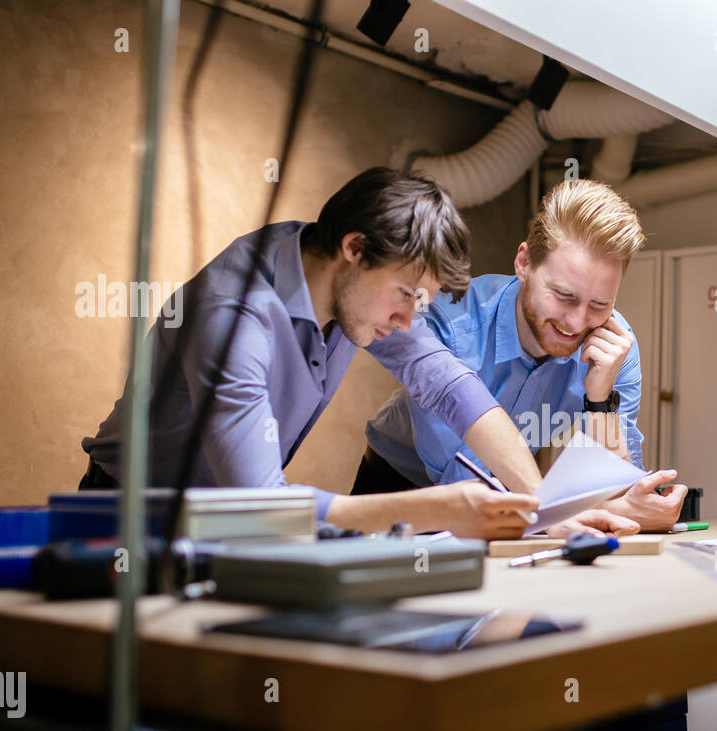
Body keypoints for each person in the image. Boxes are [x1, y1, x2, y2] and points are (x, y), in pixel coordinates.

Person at [81, 167, 540, 539]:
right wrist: (434, 509)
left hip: (226, 519)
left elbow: (447, 384)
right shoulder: (233, 318)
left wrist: (542, 508)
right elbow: (259, 500)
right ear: (354, 248)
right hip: (130, 519)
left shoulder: (345, 282)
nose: (407, 321)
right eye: (405, 295)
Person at [360, 178, 688, 533]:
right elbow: (464, 483)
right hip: (400, 484)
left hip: (521, 497)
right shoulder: (451, 325)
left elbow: (617, 488)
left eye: (599, 303)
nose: (577, 322)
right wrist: (573, 511)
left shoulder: (613, 343)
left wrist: (600, 401)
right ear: (524, 262)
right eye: (563, 295)